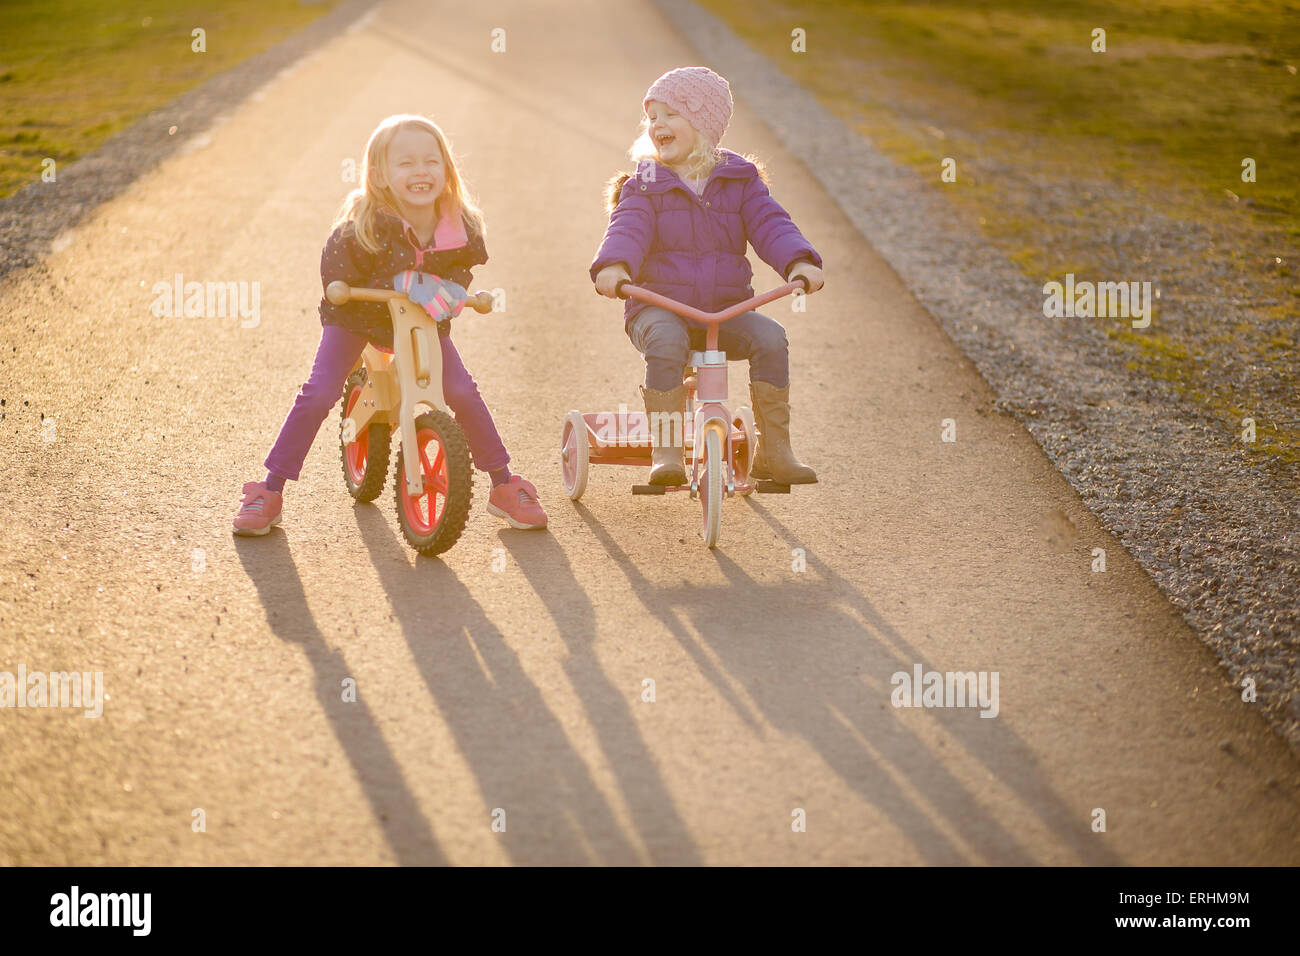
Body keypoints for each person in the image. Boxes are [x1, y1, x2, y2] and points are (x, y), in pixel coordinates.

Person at [233, 114, 547, 535]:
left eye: (431, 161)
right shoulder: (363, 225)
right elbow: (336, 276)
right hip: (356, 317)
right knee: (320, 392)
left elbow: (460, 271)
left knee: (461, 391)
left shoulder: (458, 224)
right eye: (406, 163)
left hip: (422, 321)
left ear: (446, 168)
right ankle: (270, 491)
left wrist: (452, 290)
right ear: (379, 175)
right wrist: (399, 282)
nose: (421, 171)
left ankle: (504, 484)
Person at [590, 66, 824, 486]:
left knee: (770, 338)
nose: (657, 124)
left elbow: (772, 225)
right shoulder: (646, 185)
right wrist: (614, 266)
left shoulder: (740, 182)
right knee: (666, 341)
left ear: (703, 124)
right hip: (660, 307)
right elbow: (627, 228)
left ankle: (775, 453)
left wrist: (799, 262)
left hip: (726, 309)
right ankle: (667, 451)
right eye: (652, 117)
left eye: (670, 114)